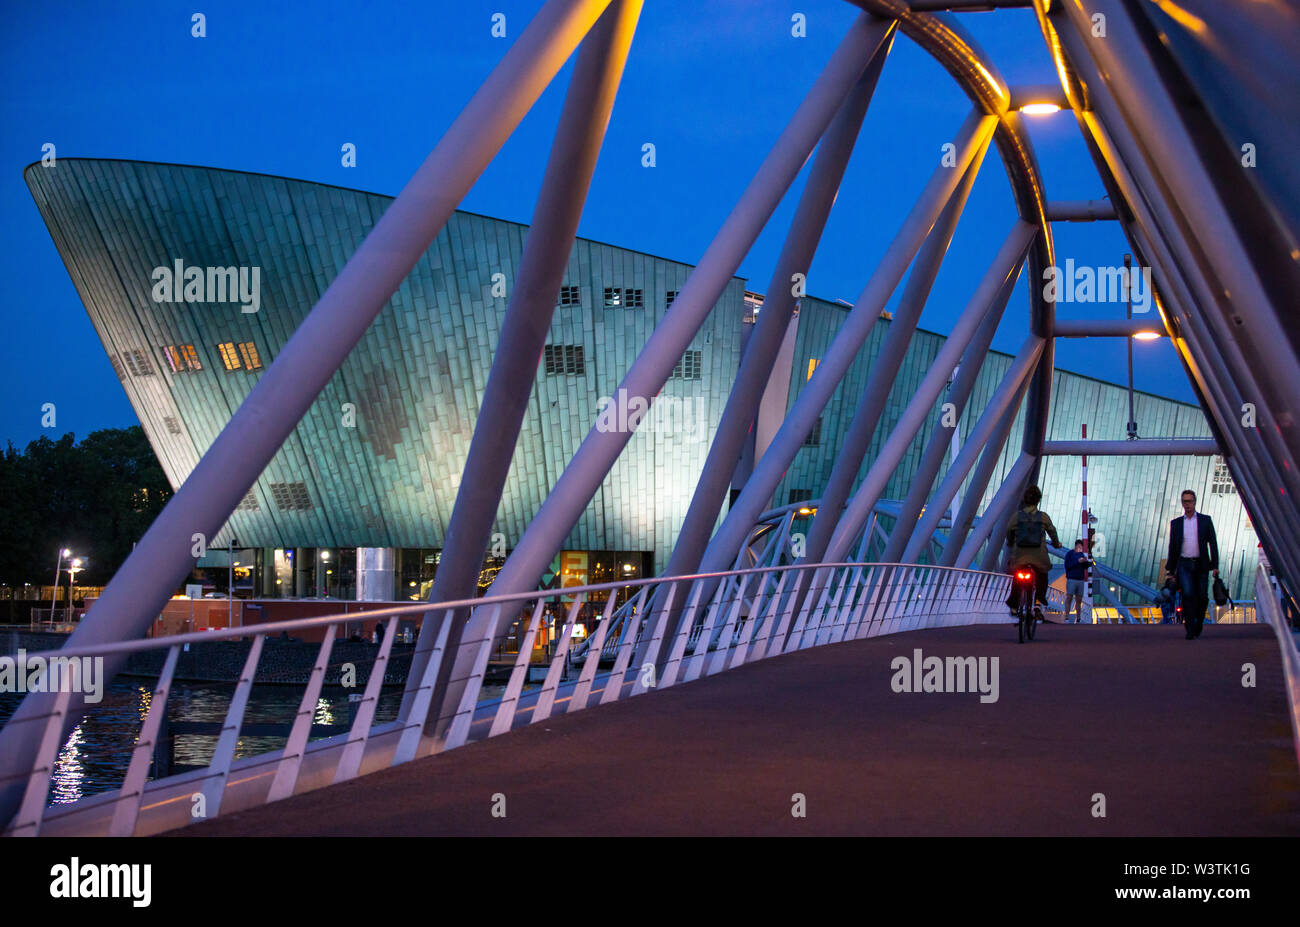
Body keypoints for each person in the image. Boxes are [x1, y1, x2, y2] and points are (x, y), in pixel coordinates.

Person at [1165, 489, 1219, 640]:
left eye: (1189, 501)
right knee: (1187, 595)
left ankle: (1199, 623)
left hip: (1201, 564)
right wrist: (1170, 569)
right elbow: (1172, 547)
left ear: (1195, 502)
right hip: (1184, 564)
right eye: (1184, 501)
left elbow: (1213, 544)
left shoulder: (1205, 520)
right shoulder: (1176, 524)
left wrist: (1215, 565)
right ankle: (1189, 628)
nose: (1187, 504)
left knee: (1202, 597)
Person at [1005, 484, 1061, 618]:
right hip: (1039, 555)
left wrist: (1011, 542)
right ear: (1038, 500)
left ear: (1025, 500)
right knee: (1042, 574)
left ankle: (1014, 605)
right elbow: (1052, 531)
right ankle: (1038, 601)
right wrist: (1056, 543)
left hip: (1020, 555)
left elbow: (1008, 531)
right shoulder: (1043, 517)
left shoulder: (1016, 517)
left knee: (1017, 577)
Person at [1063, 539, 1092, 624]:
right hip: (1071, 579)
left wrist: (1086, 562)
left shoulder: (1082, 555)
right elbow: (1067, 566)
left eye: (1081, 547)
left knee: (1079, 599)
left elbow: (1085, 567)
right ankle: (1067, 617)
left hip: (1080, 579)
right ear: (1075, 546)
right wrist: (1077, 562)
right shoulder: (1069, 554)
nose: (1080, 548)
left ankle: (1078, 618)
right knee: (1069, 597)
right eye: (1079, 546)